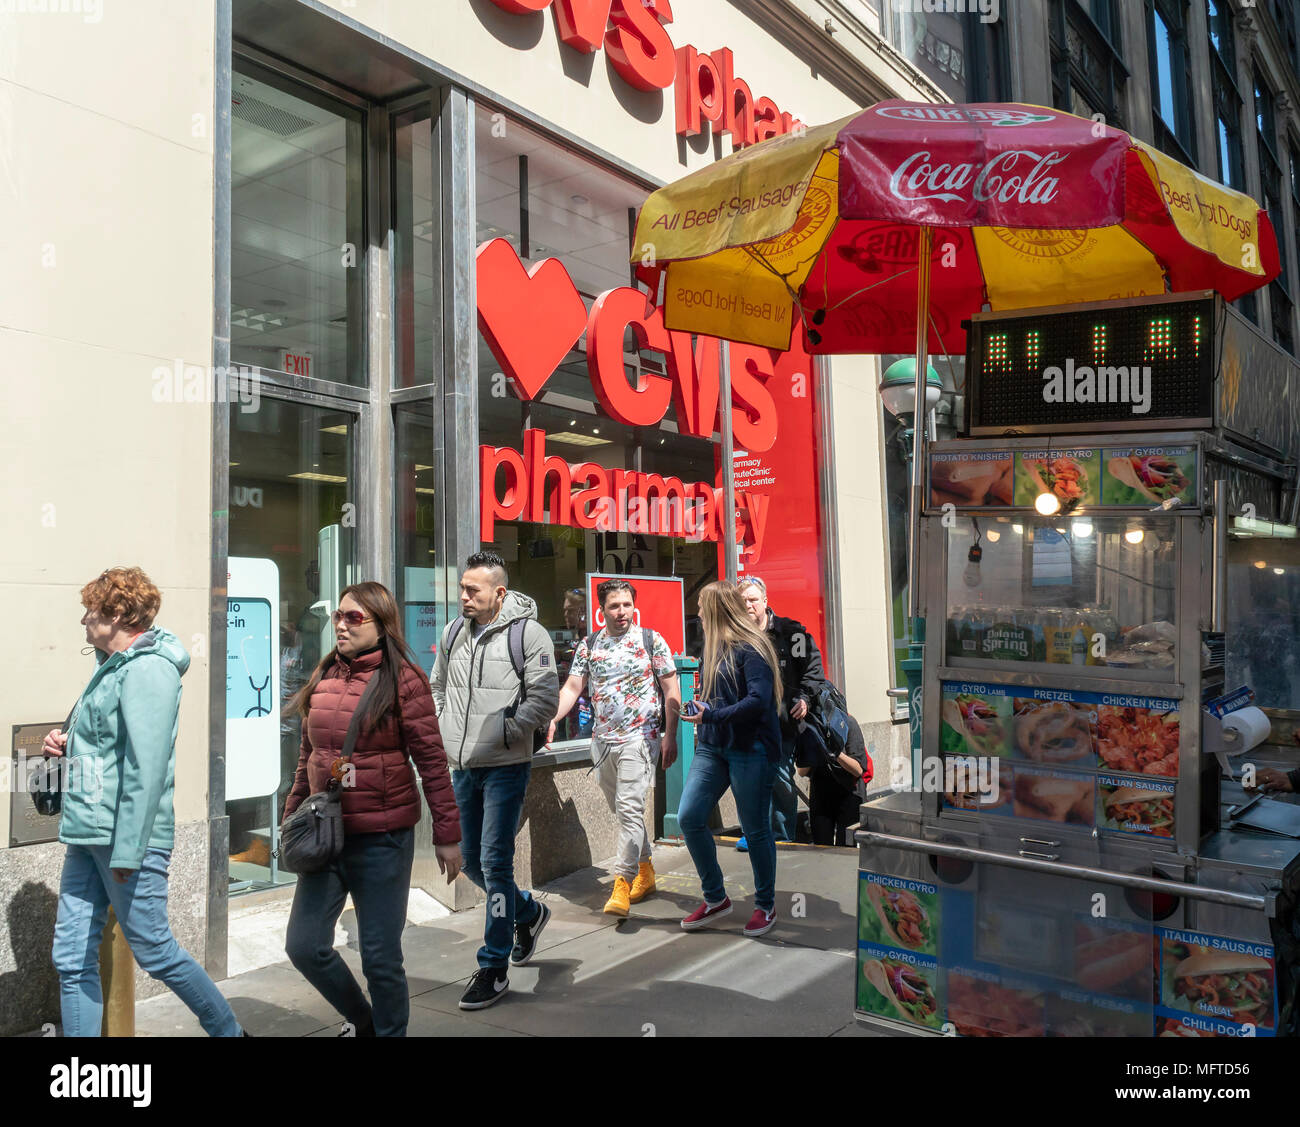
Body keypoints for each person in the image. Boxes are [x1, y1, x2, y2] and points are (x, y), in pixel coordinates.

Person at [46, 567, 246, 1037]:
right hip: (87, 830)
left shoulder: (149, 669)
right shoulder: (111, 666)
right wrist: (65, 742)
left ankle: (228, 1031)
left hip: (124, 839)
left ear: (116, 614)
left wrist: (129, 851)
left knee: (155, 950)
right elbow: (108, 746)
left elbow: (146, 766)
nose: (83, 621)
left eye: (89, 611)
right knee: (71, 957)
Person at [282, 581, 462, 1037]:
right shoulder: (324, 674)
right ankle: (365, 1021)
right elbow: (309, 757)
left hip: (382, 840)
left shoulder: (405, 680)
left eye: (353, 618)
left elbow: (432, 762)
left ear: (382, 625)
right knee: (304, 946)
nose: (341, 625)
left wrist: (448, 835)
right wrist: (292, 817)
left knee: (381, 958)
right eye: (338, 616)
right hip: (327, 835)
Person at [430, 551, 559, 1010]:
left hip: (506, 768)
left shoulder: (530, 634)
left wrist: (505, 732)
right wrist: (447, 728)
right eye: (462, 588)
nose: (463, 596)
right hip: (461, 767)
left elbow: (545, 699)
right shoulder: (452, 633)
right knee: (468, 861)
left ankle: (493, 965)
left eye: (473, 590)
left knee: (496, 864)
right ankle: (528, 911)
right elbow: (438, 686)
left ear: (499, 593)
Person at [548, 579, 680, 917]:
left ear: (634, 606)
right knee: (624, 812)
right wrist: (552, 718)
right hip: (602, 742)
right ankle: (646, 870)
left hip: (640, 738)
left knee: (631, 808)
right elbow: (573, 687)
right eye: (614, 606)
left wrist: (670, 735)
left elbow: (671, 690)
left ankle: (622, 883)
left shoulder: (651, 640)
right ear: (601, 610)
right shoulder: (589, 645)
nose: (621, 612)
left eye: (626, 605)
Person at [677, 581, 783, 937]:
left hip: (751, 748)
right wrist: (703, 709)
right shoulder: (710, 649)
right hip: (713, 745)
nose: (698, 615)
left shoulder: (752, 649)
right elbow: (723, 700)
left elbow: (757, 702)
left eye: (702, 608)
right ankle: (715, 898)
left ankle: (765, 905)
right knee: (689, 816)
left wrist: (711, 715)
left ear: (717, 611)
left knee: (755, 829)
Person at [738, 576, 825, 847]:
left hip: (782, 722)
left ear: (765, 601)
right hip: (745, 723)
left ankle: (780, 839)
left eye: (753, 599)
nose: (748, 605)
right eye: (743, 601)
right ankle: (756, 834)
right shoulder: (735, 637)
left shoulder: (791, 633)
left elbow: (812, 669)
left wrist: (804, 697)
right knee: (749, 781)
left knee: (779, 780)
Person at [797, 714, 871, 846]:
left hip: (849, 793)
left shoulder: (848, 722)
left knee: (846, 848)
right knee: (821, 848)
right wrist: (814, 750)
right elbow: (801, 771)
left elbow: (858, 769)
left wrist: (835, 752)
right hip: (821, 795)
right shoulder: (810, 726)